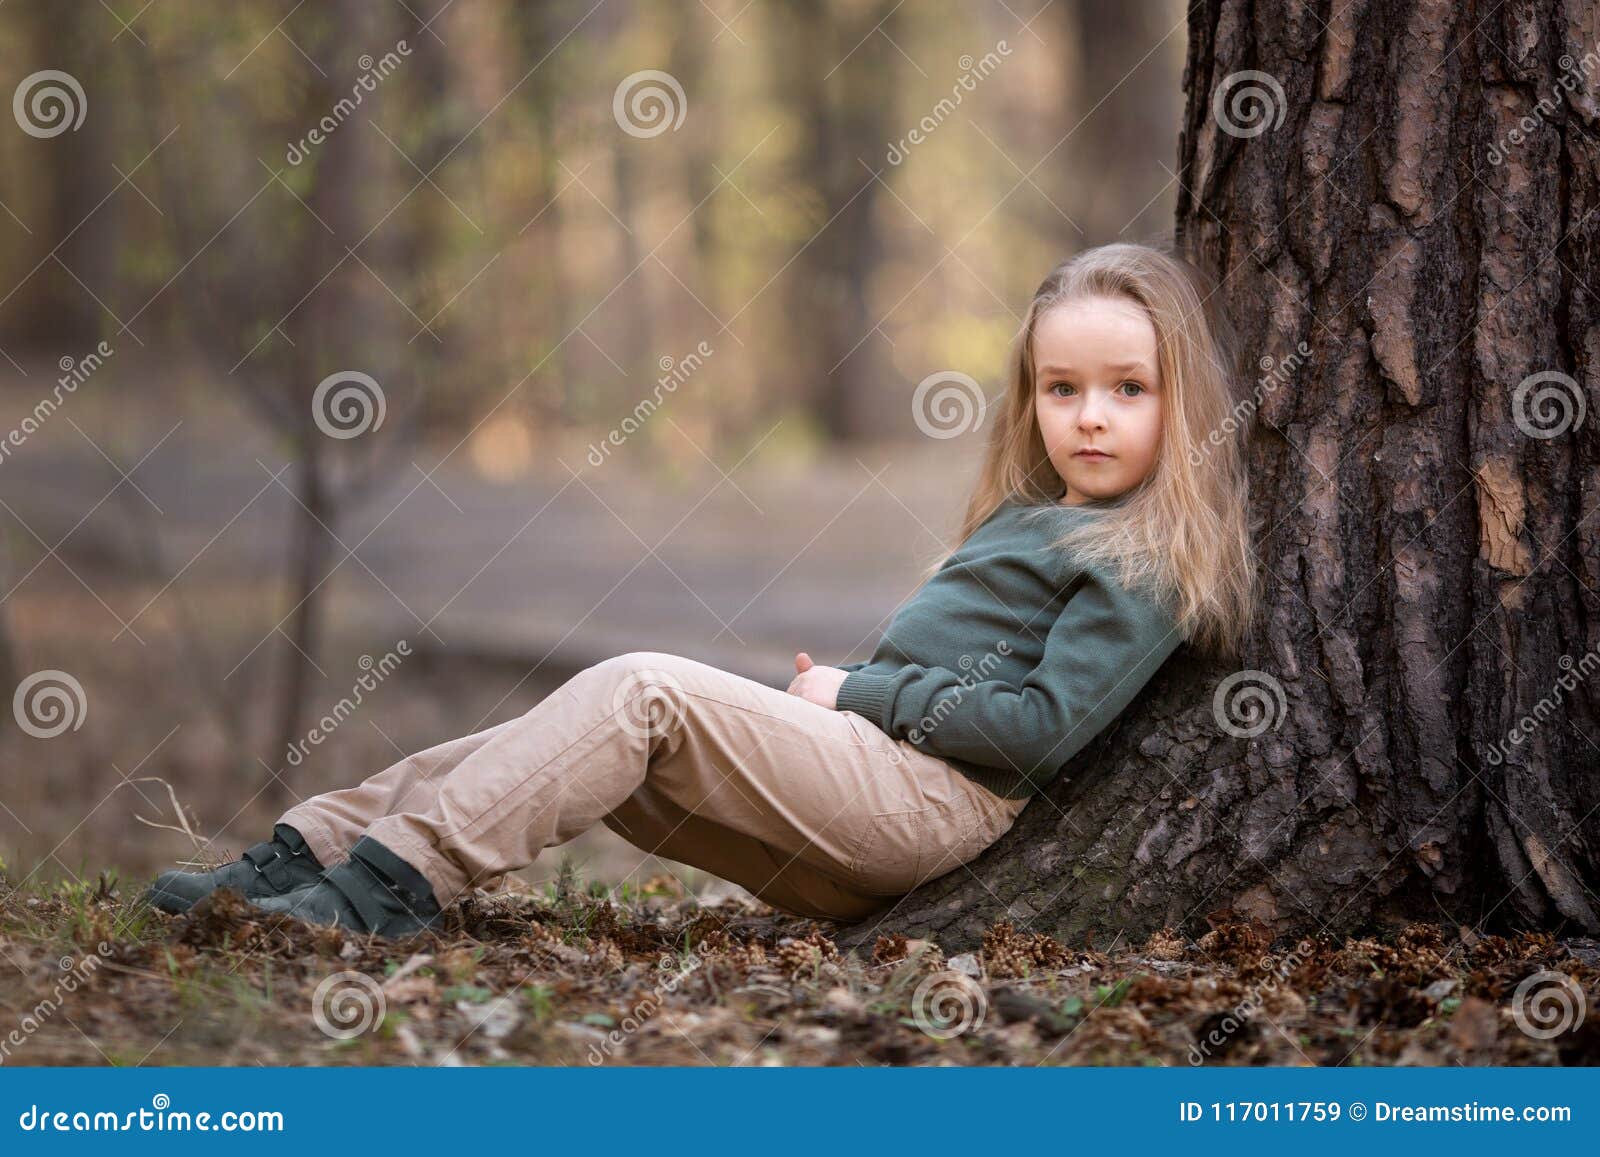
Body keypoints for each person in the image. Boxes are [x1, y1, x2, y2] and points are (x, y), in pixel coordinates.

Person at [142, 241, 1257, 936]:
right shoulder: (1037, 513)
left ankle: (383, 893)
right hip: (872, 791)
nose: (1090, 416)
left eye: (1127, 388)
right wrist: (849, 704)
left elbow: (1041, 728)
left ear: (1182, 400)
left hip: (928, 807)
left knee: (639, 688)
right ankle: (306, 858)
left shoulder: (1147, 552)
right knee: (565, 734)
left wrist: (858, 692)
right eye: (1062, 388)